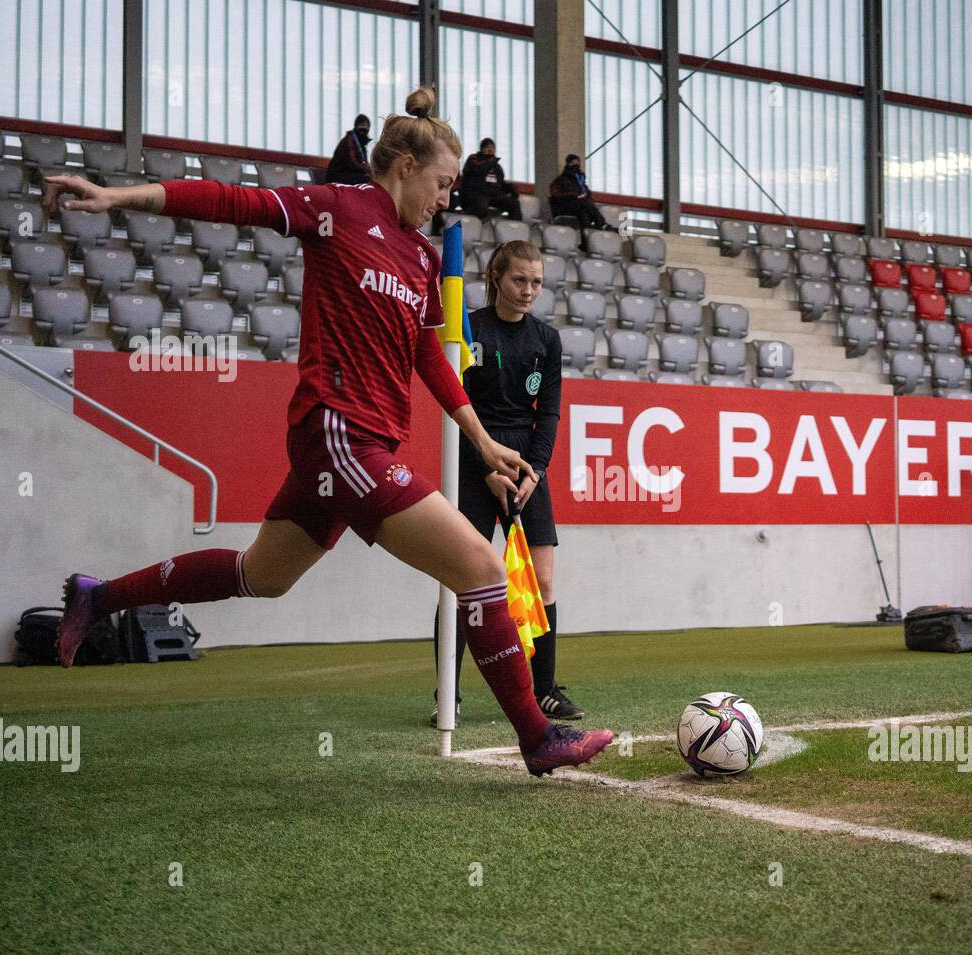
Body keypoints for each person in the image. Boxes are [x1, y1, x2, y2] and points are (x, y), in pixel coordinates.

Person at [42, 87, 613, 777]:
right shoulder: (336, 208)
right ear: (403, 166)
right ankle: (536, 738)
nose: (445, 199)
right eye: (440, 183)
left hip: (361, 445)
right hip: (339, 433)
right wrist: (117, 197)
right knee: (482, 568)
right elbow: (231, 202)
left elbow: (427, 356)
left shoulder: (424, 260)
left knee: (262, 575)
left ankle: (98, 597)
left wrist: (482, 440)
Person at [432, 240, 584, 724]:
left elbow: (550, 413)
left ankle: (546, 691)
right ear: (497, 277)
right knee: (461, 582)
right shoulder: (467, 328)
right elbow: (456, 406)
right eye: (520, 280)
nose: (528, 291)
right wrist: (488, 467)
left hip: (527, 468)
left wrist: (533, 472)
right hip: (474, 456)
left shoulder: (547, 340)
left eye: (536, 282)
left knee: (541, 581)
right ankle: (447, 693)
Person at [460, 138, 521, 219]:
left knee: (514, 203)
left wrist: (511, 188)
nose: (490, 149)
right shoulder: (473, 159)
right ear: (482, 149)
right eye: (487, 147)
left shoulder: (496, 166)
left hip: (494, 195)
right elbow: (478, 170)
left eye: (492, 147)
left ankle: (515, 229)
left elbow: (500, 183)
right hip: (477, 193)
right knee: (480, 206)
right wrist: (490, 161)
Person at [548, 154, 611, 231]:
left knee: (583, 213)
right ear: (568, 164)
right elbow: (556, 195)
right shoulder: (559, 181)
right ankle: (601, 224)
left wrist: (583, 196)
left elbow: (587, 194)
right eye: (573, 163)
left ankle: (587, 236)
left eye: (577, 163)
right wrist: (574, 196)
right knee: (583, 203)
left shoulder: (580, 181)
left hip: (579, 208)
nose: (576, 165)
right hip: (564, 208)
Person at [325, 114, 372, 185]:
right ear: (356, 126)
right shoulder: (349, 141)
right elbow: (352, 163)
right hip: (338, 177)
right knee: (366, 179)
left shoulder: (361, 142)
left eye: (367, 126)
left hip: (349, 174)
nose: (365, 128)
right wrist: (367, 169)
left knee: (368, 178)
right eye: (362, 125)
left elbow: (363, 162)